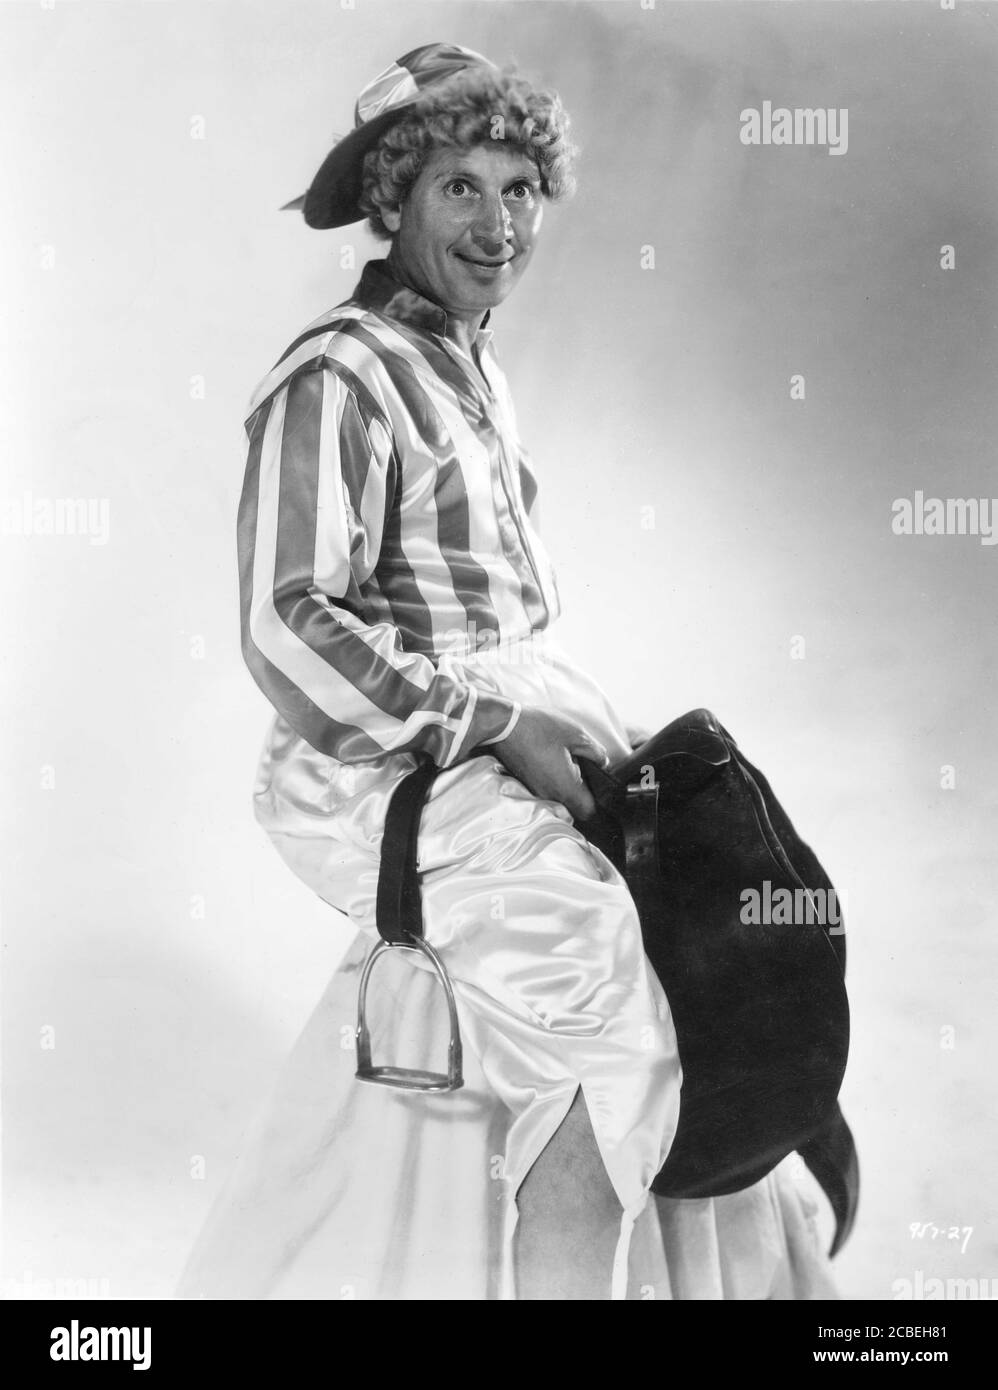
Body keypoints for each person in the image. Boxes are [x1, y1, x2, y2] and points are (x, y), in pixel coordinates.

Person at [176, 41, 838, 1301]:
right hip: (371, 760)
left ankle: (749, 1234)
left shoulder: (465, 358)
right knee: (596, 995)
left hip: (505, 704)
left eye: (519, 186)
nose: (496, 223)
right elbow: (284, 629)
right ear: (395, 200)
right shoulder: (336, 375)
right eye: (458, 188)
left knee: (720, 887)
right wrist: (488, 726)